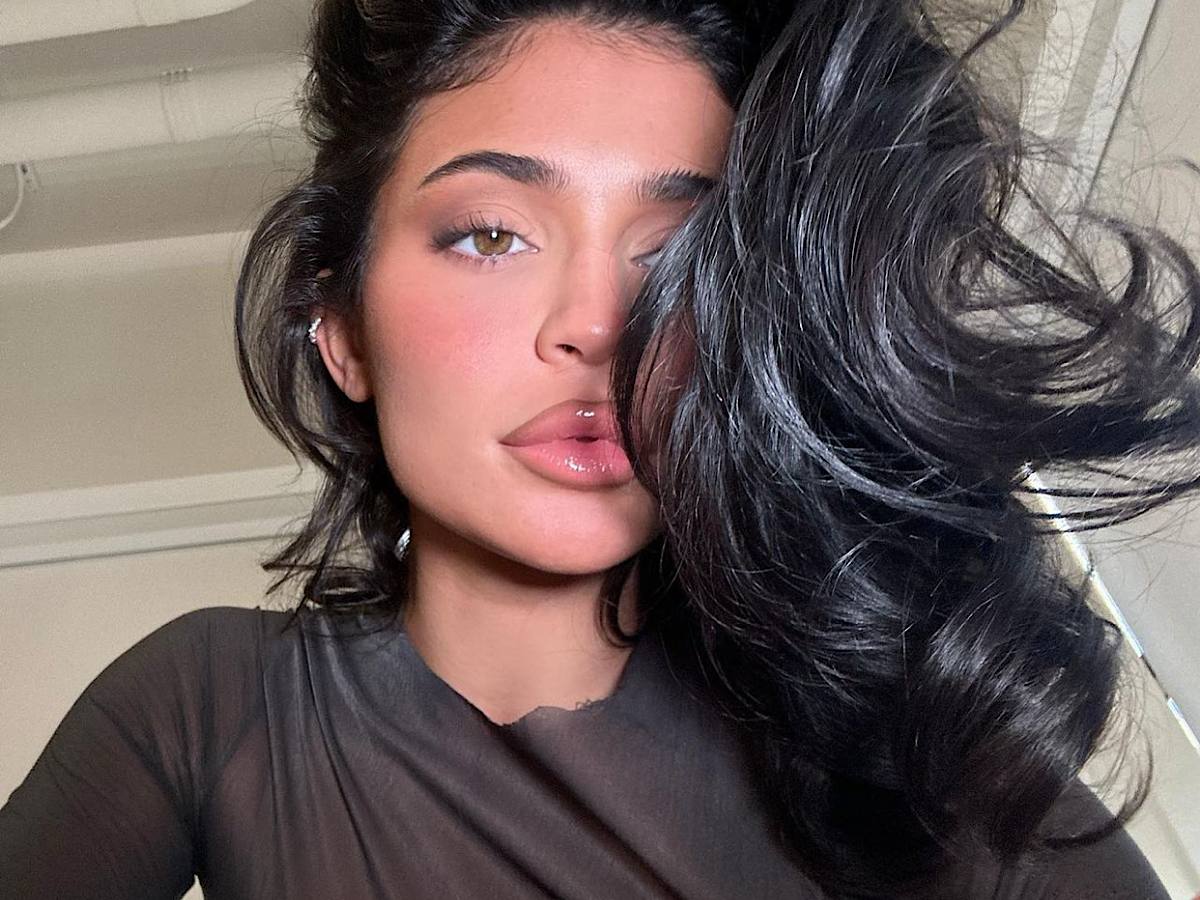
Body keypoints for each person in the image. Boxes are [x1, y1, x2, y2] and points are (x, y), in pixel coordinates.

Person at [3, 0, 1198, 897]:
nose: (595, 324)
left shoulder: (909, 742)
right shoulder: (212, 707)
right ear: (345, 331)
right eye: (490, 235)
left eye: (679, 258)